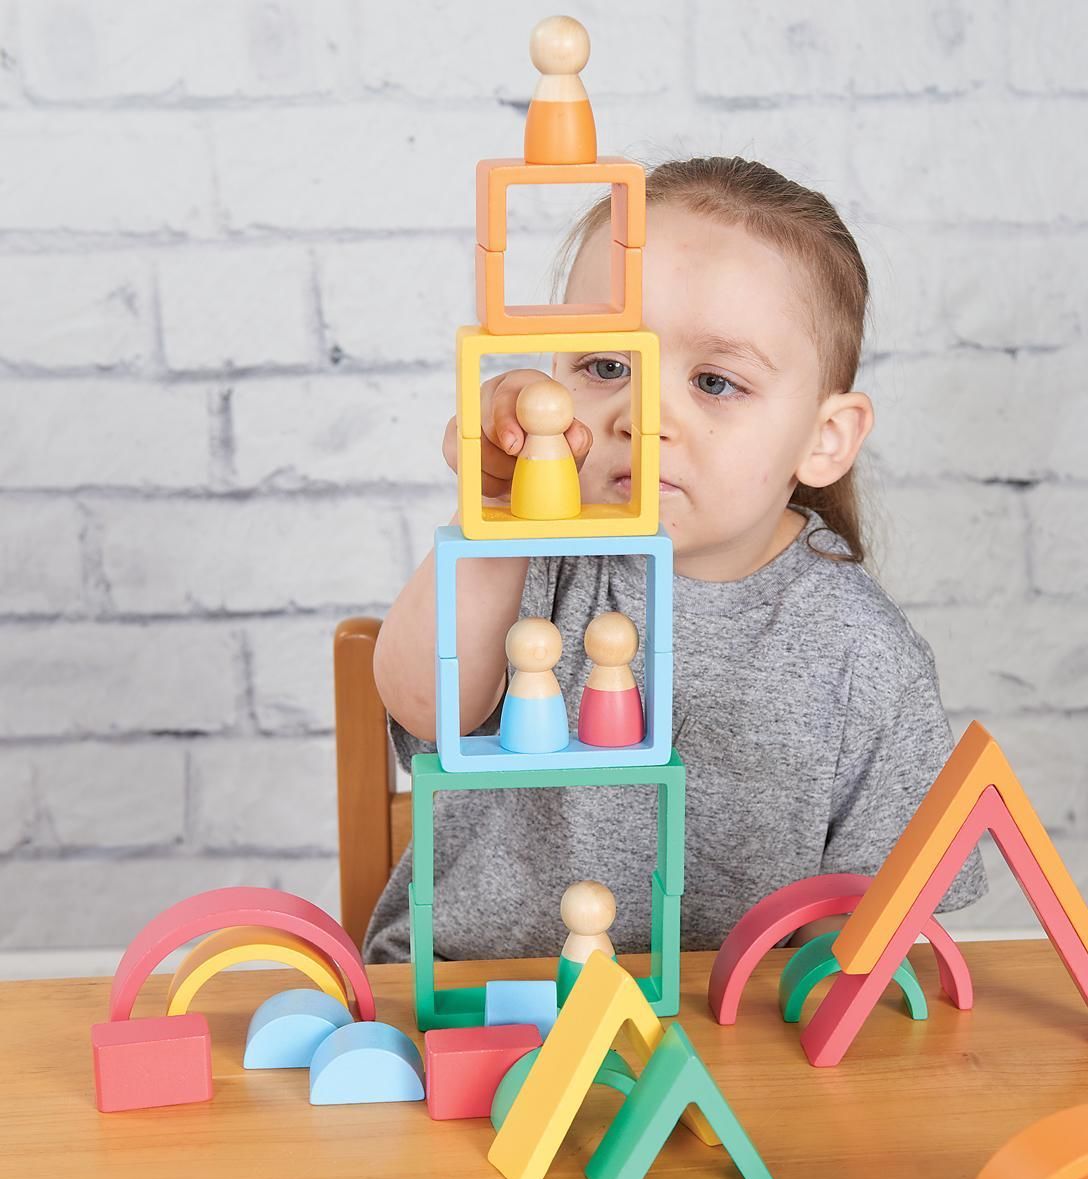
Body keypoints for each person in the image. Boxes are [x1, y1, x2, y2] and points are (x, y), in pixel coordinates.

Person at [364, 156, 986, 965]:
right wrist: (492, 518)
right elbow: (424, 708)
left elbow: (889, 905)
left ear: (824, 438)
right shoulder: (540, 559)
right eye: (606, 366)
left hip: (728, 1036)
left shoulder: (860, 652)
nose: (642, 416)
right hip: (471, 998)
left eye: (716, 382)